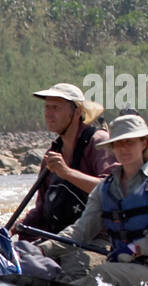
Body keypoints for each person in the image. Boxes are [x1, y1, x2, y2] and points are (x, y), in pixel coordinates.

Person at [45, 114, 148, 286]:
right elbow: (81, 230)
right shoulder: (105, 188)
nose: (123, 148)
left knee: (103, 274)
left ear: (143, 143)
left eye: (130, 142)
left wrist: (136, 248)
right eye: (118, 143)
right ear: (112, 147)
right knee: (76, 273)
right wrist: (43, 249)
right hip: (126, 267)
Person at [19, 82, 114, 237]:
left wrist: (67, 173)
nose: (48, 114)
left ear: (77, 112)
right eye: (47, 107)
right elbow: (42, 208)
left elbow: (113, 190)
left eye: (56, 108)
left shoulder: (98, 143)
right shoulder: (53, 153)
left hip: (95, 238)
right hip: (60, 237)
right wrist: (18, 226)